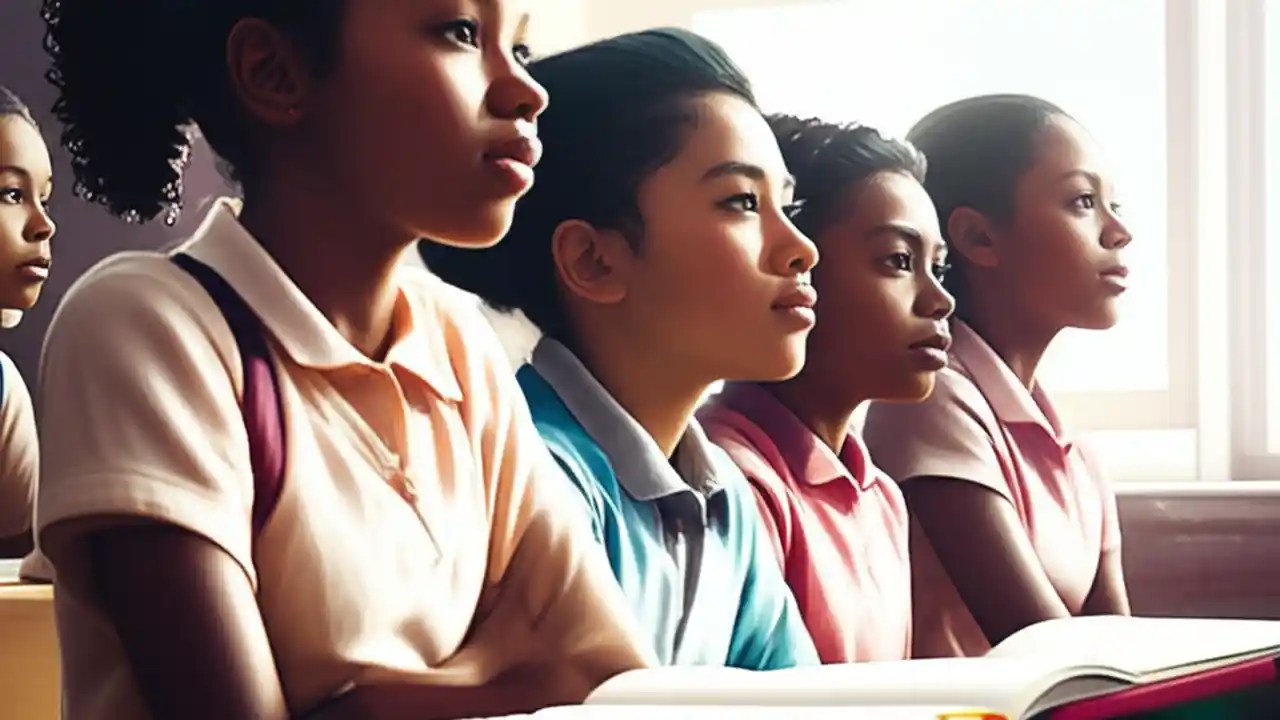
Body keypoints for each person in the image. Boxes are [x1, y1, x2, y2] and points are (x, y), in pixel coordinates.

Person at [35, 2, 650, 718]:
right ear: (274, 72)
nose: (527, 91)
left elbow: (606, 675)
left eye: (519, 48)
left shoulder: (460, 344)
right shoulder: (149, 326)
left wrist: (362, 703)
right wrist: (505, 677)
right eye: (460, 33)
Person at [423, 28, 820, 669]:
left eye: (789, 205)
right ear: (594, 260)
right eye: (742, 202)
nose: (801, 248)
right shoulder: (528, 475)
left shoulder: (724, 497)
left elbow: (797, 702)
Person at [863, 94, 1133, 659]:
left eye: (1114, 204)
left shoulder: (1075, 453)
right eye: (1083, 202)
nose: (1118, 232)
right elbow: (1046, 651)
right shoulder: (930, 399)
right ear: (978, 238)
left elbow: (1120, 655)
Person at [700, 115, 954, 663]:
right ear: (797, 266)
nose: (940, 300)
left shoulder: (882, 496)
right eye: (898, 261)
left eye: (939, 267)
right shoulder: (733, 481)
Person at [0, 85, 55, 578]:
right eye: (12, 194)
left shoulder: (2, 388)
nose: (43, 225)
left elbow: (28, 584)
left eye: (45, 198)